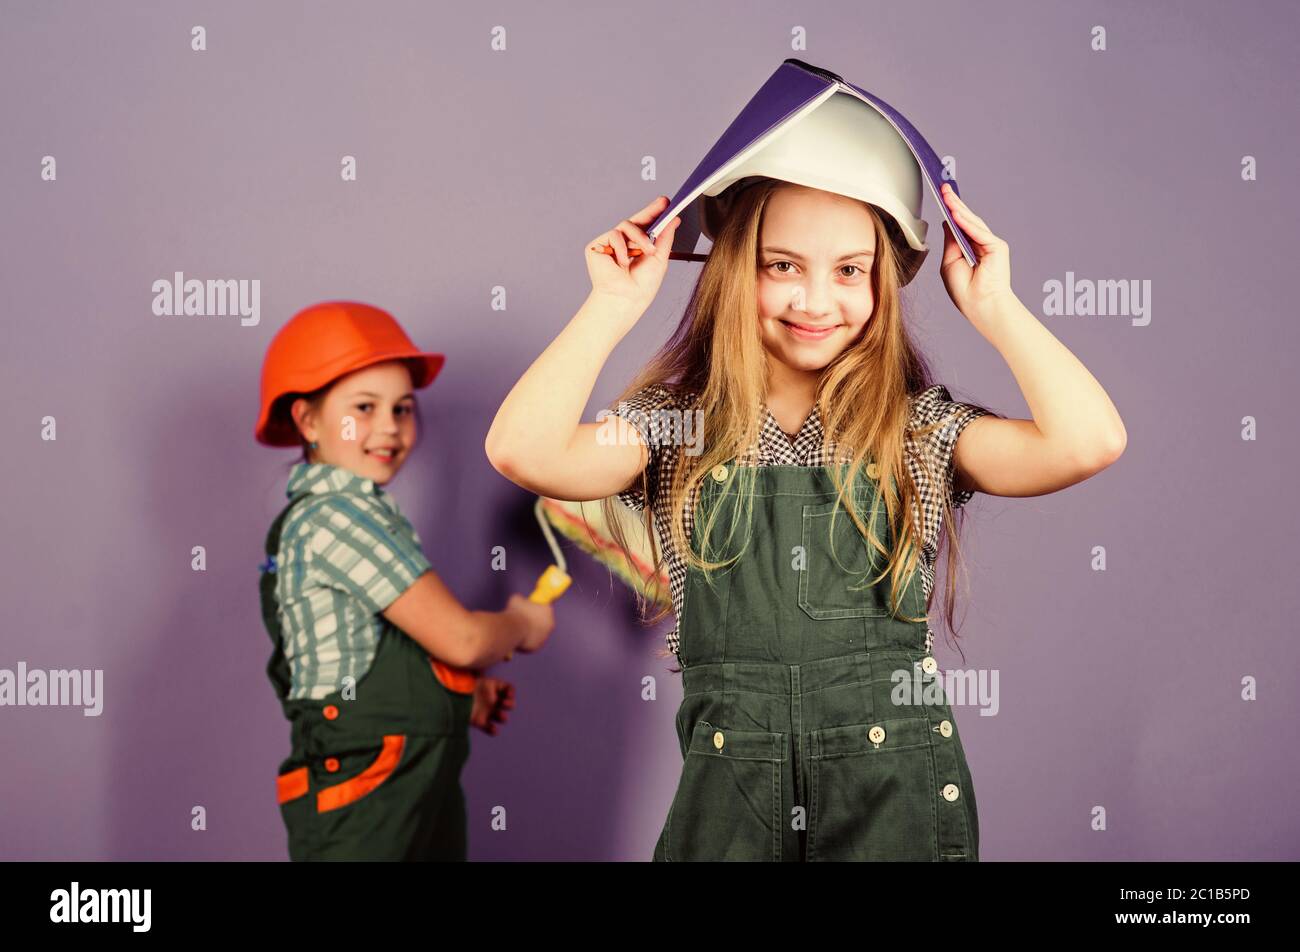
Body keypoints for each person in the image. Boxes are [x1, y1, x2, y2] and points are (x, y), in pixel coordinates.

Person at [486, 177, 1125, 861]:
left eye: (850, 270)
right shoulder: (679, 429)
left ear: (882, 284)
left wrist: (996, 306)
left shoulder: (914, 431)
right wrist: (610, 305)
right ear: (733, 272)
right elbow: (523, 450)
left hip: (893, 799)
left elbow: (1089, 442)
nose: (816, 299)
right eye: (781, 265)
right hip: (731, 802)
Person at [255, 300, 554, 861]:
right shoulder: (337, 518)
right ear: (307, 420)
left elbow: (372, 655)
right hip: (369, 789)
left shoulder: (359, 515)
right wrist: (522, 623)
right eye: (364, 407)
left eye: (404, 408)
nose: (389, 428)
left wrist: (457, 699)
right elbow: (461, 638)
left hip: (407, 778)